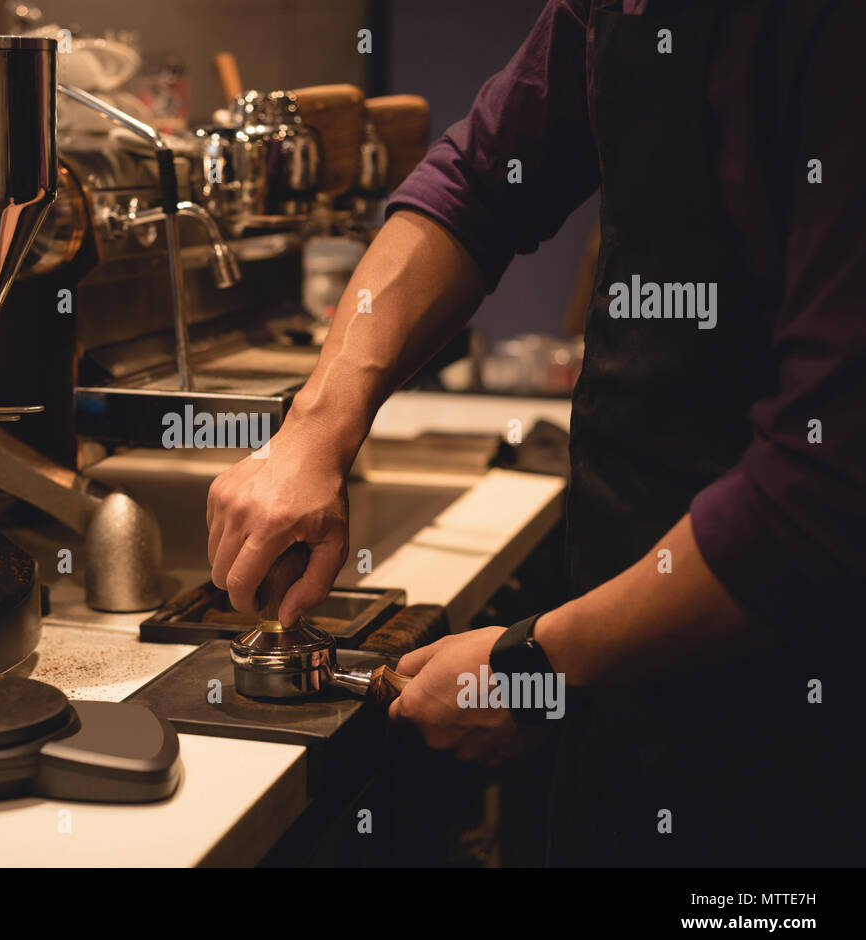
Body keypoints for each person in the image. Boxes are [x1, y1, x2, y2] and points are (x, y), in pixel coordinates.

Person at [205, 0, 866, 866]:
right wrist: (313, 429)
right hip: (626, 692)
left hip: (809, 746)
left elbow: (823, 490)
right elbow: (477, 185)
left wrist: (536, 666)